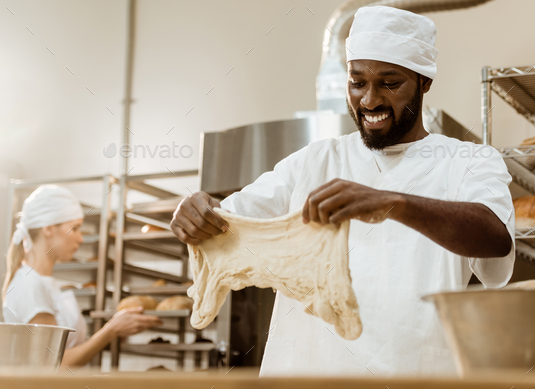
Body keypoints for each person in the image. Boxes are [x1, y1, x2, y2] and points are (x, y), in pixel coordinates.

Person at [170, 6, 515, 377]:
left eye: (390, 83)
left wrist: (393, 203)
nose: (369, 100)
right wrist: (196, 211)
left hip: (411, 376)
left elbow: (494, 238)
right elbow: (225, 222)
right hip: (302, 375)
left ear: (424, 81)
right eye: (357, 82)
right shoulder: (314, 161)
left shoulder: (468, 160)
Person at [2, 185, 162, 367]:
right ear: (48, 229)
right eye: (75, 228)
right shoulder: (29, 285)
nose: (81, 238)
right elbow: (53, 366)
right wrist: (110, 331)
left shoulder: (43, 283)